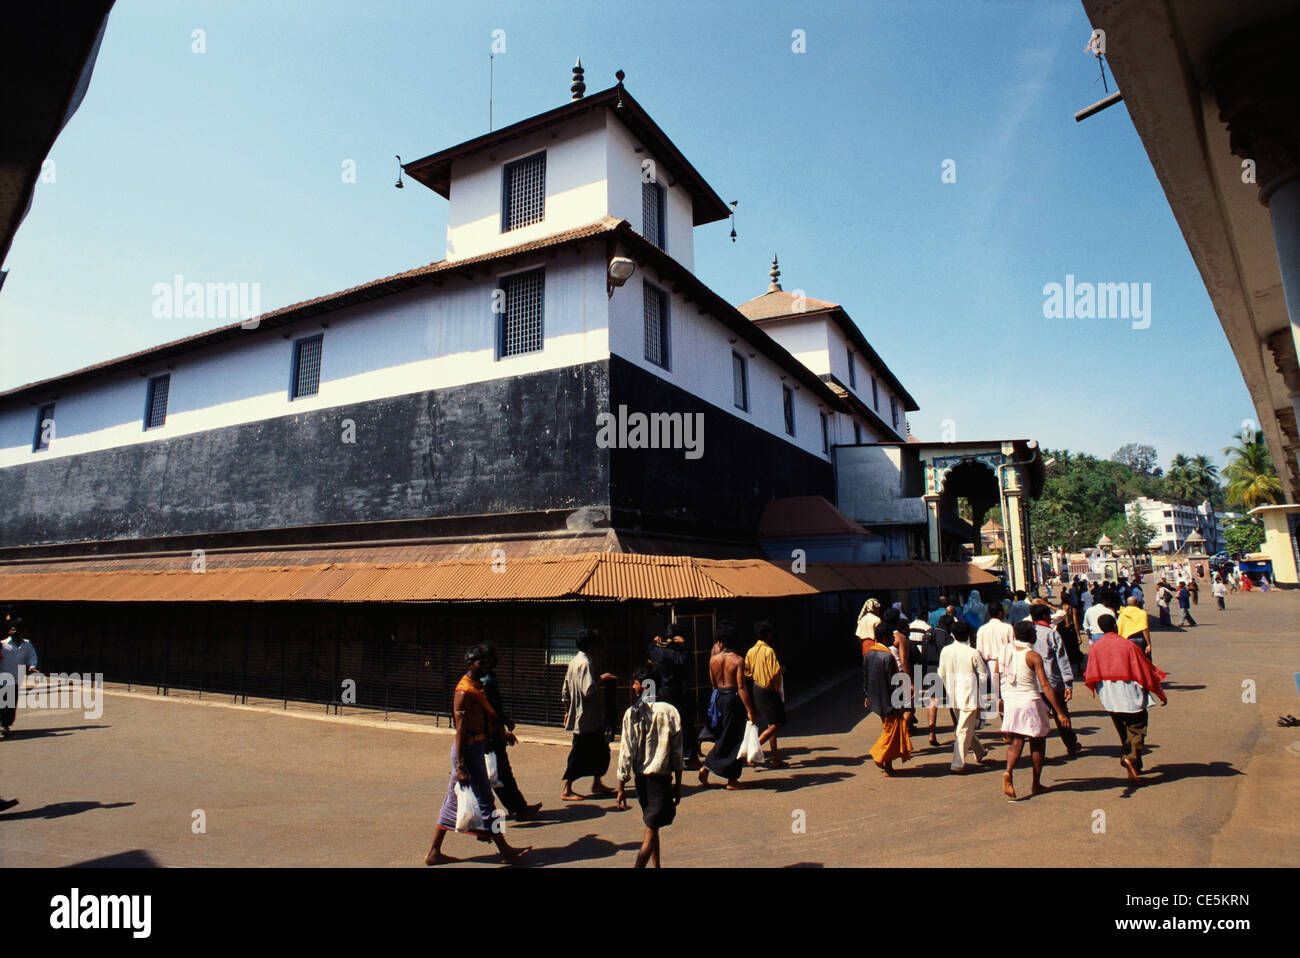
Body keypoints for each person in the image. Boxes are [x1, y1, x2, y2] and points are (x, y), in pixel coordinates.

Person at [426, 644, 530, 865]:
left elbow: (483, 718)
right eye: (480, 663)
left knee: (452, 802)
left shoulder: (476, 687)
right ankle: (505, 850)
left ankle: (434, 851)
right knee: (485, 800)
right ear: (470, 664)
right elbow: (461, 731)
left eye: (487, 662)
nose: (486, 666)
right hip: (467, 751)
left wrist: (500, 732)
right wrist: (462, 766)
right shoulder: (464, 692)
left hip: (475, 748)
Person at [1083, 614, 1168, 785]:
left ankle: (1134, 766)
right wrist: (1159, 692)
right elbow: (1144, 670)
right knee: (1137, 729)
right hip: (1130, 693)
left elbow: (1091, 672)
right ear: (1115, 626)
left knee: (1123, 731)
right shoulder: (1128, 645)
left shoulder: (1096, 648)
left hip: (1109, 697)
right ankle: (1130, 757)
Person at [615, 666, 684, 868]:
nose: (633, 687)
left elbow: (625, 752)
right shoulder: (669, 712)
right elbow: (677, 753)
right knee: (650, 830)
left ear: (645, 687)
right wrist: (678, 784)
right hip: (659, 780)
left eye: (636, 683)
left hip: (642, 780)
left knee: (651, 827)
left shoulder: (631, 713)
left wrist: (621, 784)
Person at [1000, 620, 1071, 800]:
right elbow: (1045, 686)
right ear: (1032, 636)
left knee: (1017, 741)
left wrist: (1000, 699)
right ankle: (1036, 783)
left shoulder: (1005, 651)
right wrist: (1059, 711)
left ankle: (1008, 771)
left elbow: (998, 674)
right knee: (1037, 741)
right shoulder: (1032, 656)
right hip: (1029, 701)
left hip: (1011, 700)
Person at [480, 644, 542, 821]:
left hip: (489, 731)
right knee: (501, 773)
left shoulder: (485, 678)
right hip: (491, 733)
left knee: (499, 773)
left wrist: (504, 720)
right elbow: (490, 709)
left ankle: (516, 807)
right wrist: (501, 730)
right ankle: (518, 809)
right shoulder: (487, 680)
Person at [561, 629, 618, 801]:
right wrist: (602, 679)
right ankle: (567, 788)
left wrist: (566, 711)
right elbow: (589, 690)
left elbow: (565, 691)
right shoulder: (585, 663)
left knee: (599, 749)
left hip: (583, 716)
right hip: (587, 717)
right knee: (579, 752)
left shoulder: (573, 662)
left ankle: (597, 782)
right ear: (591, 645)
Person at [698, 621, 756, 789]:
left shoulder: (713, 660)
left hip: (719, 697)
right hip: (733, 698)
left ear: (721, 642)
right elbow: (741, 686)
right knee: (735, 738)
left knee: (724, 734)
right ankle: (730, 777)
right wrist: (750, 709)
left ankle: (712, 767)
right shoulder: (737, 660)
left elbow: (713, 683)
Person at [938, 620, 989, 773]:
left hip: (953, 694)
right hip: (969, 695)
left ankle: (979, 751)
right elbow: (983, 675)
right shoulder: (972, 652)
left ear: (952, 634)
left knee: (964, 726)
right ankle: (957, 764)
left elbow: (941, 672)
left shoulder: (946, 651)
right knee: (963, 730)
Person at [1030, 604, 1080, 756]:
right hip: (1053, 681)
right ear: (1045, 616)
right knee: (1061, 715)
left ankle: (1038, 752)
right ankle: (1070, 744)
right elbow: (1062, 659)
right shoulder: (1051, 634)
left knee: (1038, 717)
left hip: (1035, 682)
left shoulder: (1028, 634)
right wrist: (1068, 683)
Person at [863, 621, 911, 776]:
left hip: (876, 700)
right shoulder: (888, 657)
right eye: (890, 636)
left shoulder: (870, 653)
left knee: (888, 730)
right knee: (890, 733)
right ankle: (880, 757)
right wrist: (900, 701)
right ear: (884, 638)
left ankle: (888, 766)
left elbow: (865, 677)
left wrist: (866, 696)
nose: (892, 638)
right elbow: (894, 683)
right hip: (888, 701)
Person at [647, 633, 698, 767]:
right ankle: (688, 756)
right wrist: (684, 646)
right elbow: (685, 661)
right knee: (684, 724)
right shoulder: (672, 653)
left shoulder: (654, 650)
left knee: (665, 725)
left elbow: (650, 650)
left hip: (662, 692)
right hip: (677, 693)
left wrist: (653, 642)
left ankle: (667, 756)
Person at [743, 621, 786, 768]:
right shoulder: (769, 651)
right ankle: (754, 748)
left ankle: (775, 758)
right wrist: (781, 672)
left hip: (756, 688)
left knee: (770, 722)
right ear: (769, 635)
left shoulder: (750, 651)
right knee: (778, 722)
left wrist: (757, 674)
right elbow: (775, 672)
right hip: (768, 689)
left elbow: (747, 672)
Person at [0, 621, 40, 738]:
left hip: (17, 679)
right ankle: (3, 725)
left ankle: (6, 725)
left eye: (17, 629)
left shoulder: (27, 645)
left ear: (22, 632)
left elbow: (31, 657)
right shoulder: (2, 645)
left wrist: (32, 666)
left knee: (11, 704)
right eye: (12, 629)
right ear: (9, 631)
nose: (14, 631)